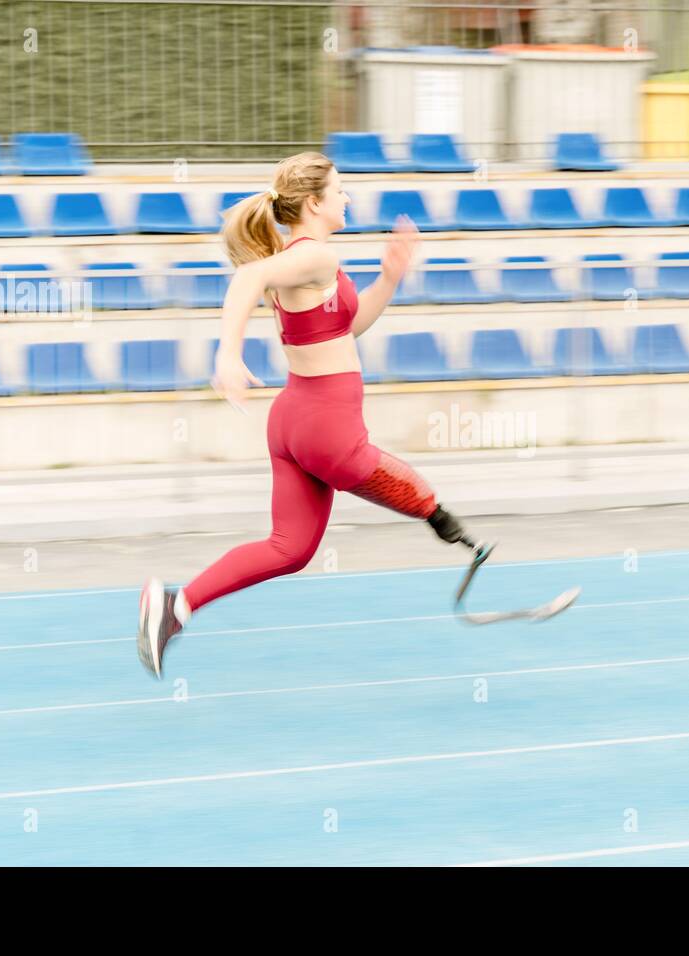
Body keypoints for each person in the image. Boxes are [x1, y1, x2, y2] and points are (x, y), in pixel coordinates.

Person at [137, 151, 482, 678]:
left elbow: (348, 326)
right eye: (340, 190)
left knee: (290, 549)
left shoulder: (312, 262)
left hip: (294, 419)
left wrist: (389, 279)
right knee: (391, 483)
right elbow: (245, 280)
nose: (348, 198)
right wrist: (228, 355)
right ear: (316, 203)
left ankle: (174, 608)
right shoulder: (314, 258)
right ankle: (443, 518)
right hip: (325, 425)